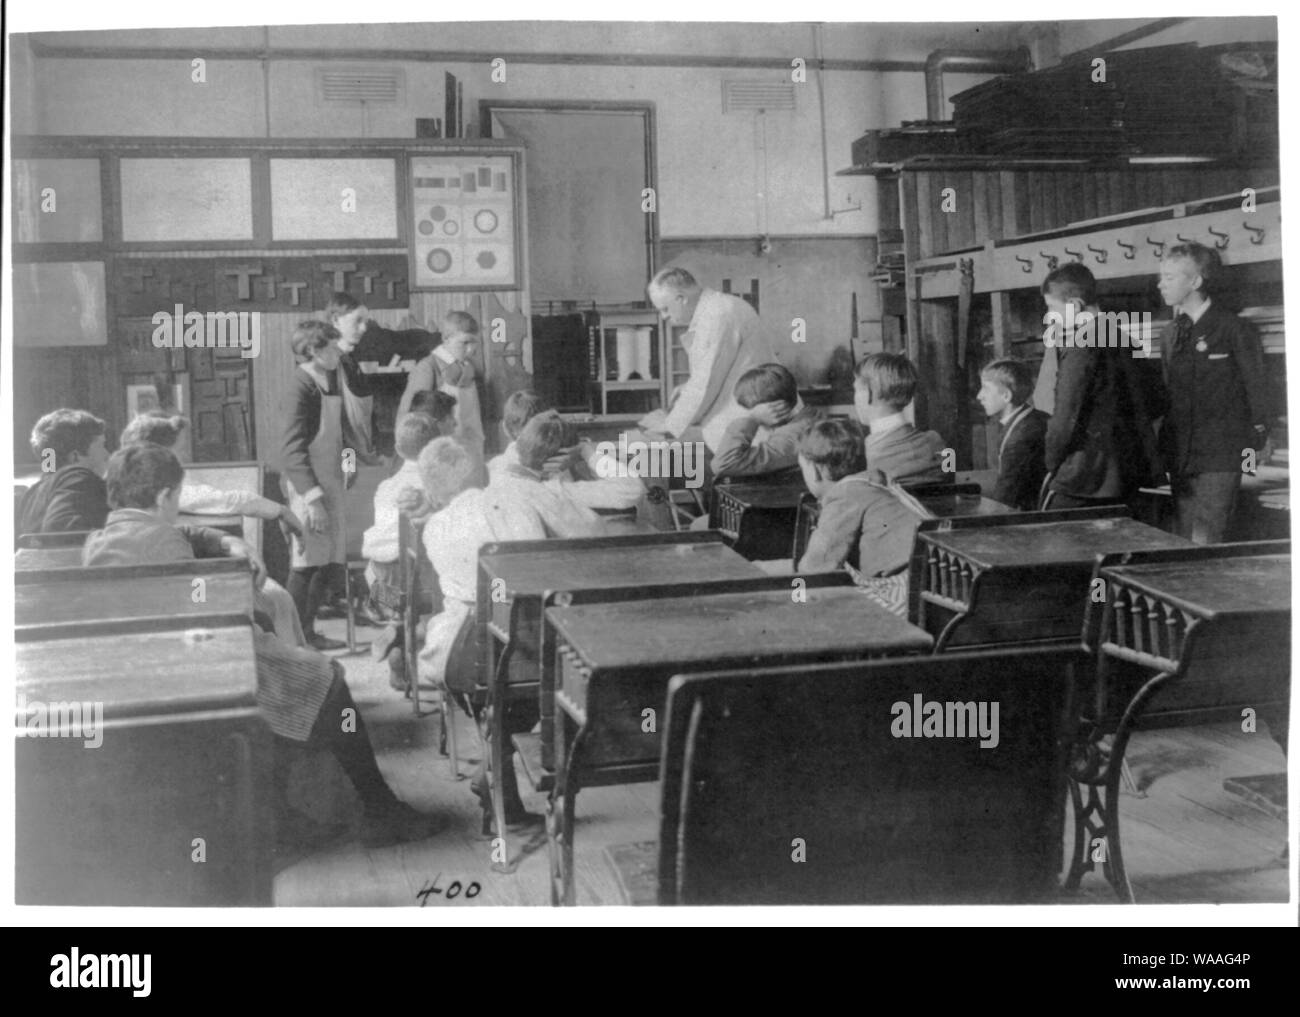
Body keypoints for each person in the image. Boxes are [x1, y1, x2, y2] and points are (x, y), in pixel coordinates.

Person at [83, 443, 444, 850]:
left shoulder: (100, 542)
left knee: (291, 658)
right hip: (203, 676)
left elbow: (178, 537)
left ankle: (285, 813)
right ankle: (380, 810)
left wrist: (222, 543)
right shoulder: (165, 547)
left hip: (152, 675)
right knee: (327, 681)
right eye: (177, 497)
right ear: (166, 497)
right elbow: (216, 615)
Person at [417, 437, 549, 827]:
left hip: (465, 654)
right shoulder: (514, 502)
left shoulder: (436, 526)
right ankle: (495, 777)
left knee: (493, 698)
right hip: (526, 643)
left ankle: (494, 779)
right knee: (530, 687)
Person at [118, 412, 307, 647]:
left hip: (154, 603)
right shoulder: (161, 498)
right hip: (176, 613)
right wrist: (280, 511)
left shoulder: (117, 490)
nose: (184, 456)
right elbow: (195, 595)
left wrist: (223, 540)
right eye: (178, 450)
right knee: (269, 605)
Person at [1157, 243, 1272, 543]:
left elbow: (1256, 388)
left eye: (1169, 277)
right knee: (1182, 537)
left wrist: (1260, 438)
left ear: (1195, 282)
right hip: (1181, 454)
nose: (1161, 284)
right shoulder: (1171, 333)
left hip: (1221, 454)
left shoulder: (1233, 329)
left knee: (1207, 537)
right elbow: (1169, 393)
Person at [280, 320, 374, 651]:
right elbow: (291, 453)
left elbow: (344, 432)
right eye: (332, 347)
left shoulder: (330, 379)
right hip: (308, 487)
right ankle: (293, 639)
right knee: (306, 563)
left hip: (332, 480)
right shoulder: (300, 386)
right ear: (313, 352)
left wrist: (348, 466)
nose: (338, 352)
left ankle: (309, 633)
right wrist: (313, 500)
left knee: (326, 560)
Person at [1040, 263, 1163, 511]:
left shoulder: (1080, 346)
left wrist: (1051, 464)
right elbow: (1155, 401)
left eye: (1052, 309)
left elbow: (1065, 418)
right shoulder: (1128, 340)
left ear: (1074, 306)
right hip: (1128, 475)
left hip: (1083, 477)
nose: (1050, 318)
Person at [638, 267, 777, 453]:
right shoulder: (718, 308)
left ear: (681, 298)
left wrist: (671, 425)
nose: (664, 317)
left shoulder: (717, 315)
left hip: (756, 423)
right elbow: (716, 371)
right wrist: (686, 391)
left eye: (665, 309)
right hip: (751, 409)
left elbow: (705, 383)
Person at [794, 418, 924, 616]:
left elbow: (816, 568)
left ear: (815, 471)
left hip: (904, 592)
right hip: (926, 580)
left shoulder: (844, 496)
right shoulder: (876, 480)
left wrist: (796, 601)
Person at [361, 411, 442, 686]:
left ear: (397, 449)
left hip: (381, 587)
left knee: (387, 583)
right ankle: (416, 634)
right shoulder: (438, 488)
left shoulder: (386, 486)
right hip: (425, 589)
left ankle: (398, 628)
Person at [487, 391, 642, 510]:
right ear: (552, 433)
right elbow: (632, 489)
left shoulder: (491, 470)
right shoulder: (557, 487)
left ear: (505, 429)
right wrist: (585, 451)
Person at [397, 310, 487, 483]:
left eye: (475, 343)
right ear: (446, 339)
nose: (471, 349)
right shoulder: (428, 368)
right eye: (465, 343)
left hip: (471, 449)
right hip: (438, 454)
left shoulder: (470, 368)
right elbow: (409, 420)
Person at [487, 414, 611, 537]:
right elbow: (596, 531)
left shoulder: (493, 470)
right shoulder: (551, 492)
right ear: (561, 457)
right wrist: (586, 451)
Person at [710, 363, 821, 481]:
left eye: (754, 410)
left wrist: (754, 419)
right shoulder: (807, 421)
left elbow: (723, 464)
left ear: (775, 408)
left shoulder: (792, 438)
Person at [854, 353, 948, 484]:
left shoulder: (872, 455)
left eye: (856, 390)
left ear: (869, 393)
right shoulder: (937, 442)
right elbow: (951, 476)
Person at [18, 409, 111, 536]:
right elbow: (59, 527)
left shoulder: (32, 493)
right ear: (75, 457)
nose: (107, 454)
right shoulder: (76, 477)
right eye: (102, 445)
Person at [975, 359, 1049, 510]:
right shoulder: (1033, 419)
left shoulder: (1021, 437)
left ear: (1006, 396)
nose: (979, 396)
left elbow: (1004, 499)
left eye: (985, 388)